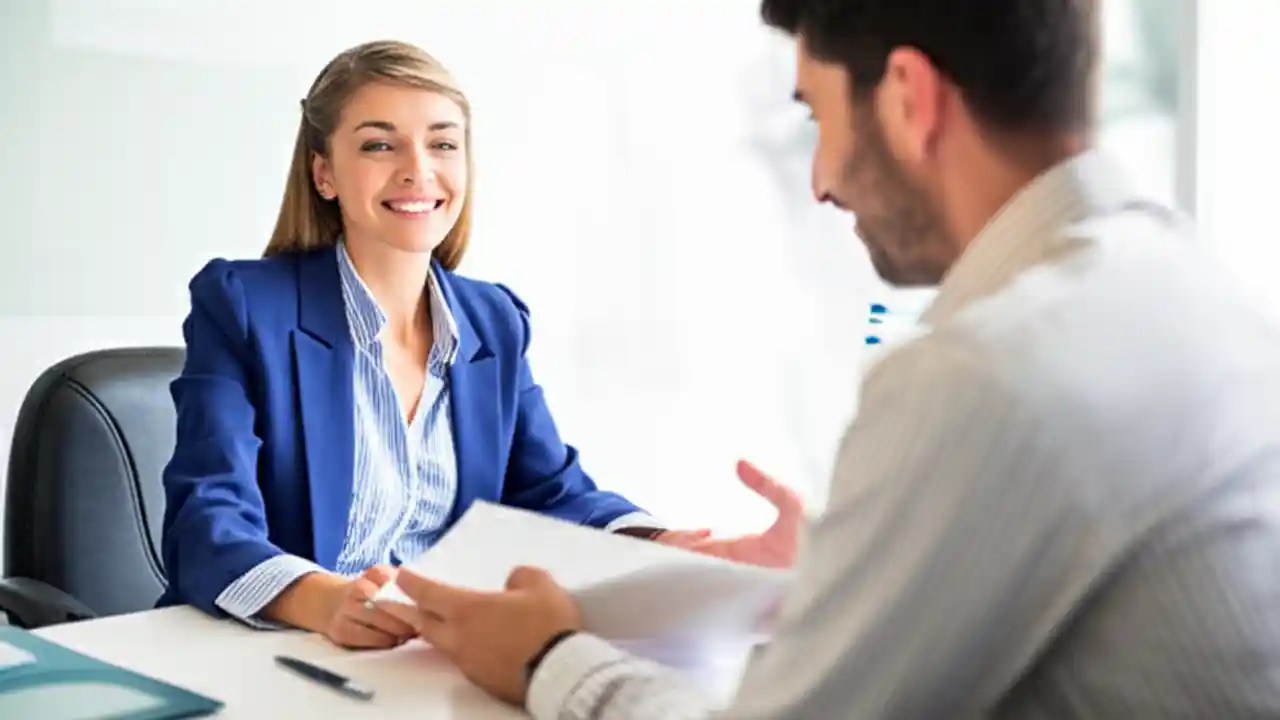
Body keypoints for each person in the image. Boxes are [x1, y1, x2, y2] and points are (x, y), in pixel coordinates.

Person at [382, 0, 1280, 717]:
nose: (820, 180)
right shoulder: (1187, 285)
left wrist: (547, 659)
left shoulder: (986, 374)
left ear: (908, 98)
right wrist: (853, 574)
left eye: (818, 114)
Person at [156, 40, 720, 649]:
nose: (417, 170)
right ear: (324, 173)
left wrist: (667, 549)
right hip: (275, 651)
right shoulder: (244, 305)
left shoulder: (493, 320)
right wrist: (328, 601)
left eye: (443, 144)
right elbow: (206, 520)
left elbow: (550, 494)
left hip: (430, 656)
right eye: (379, 144)